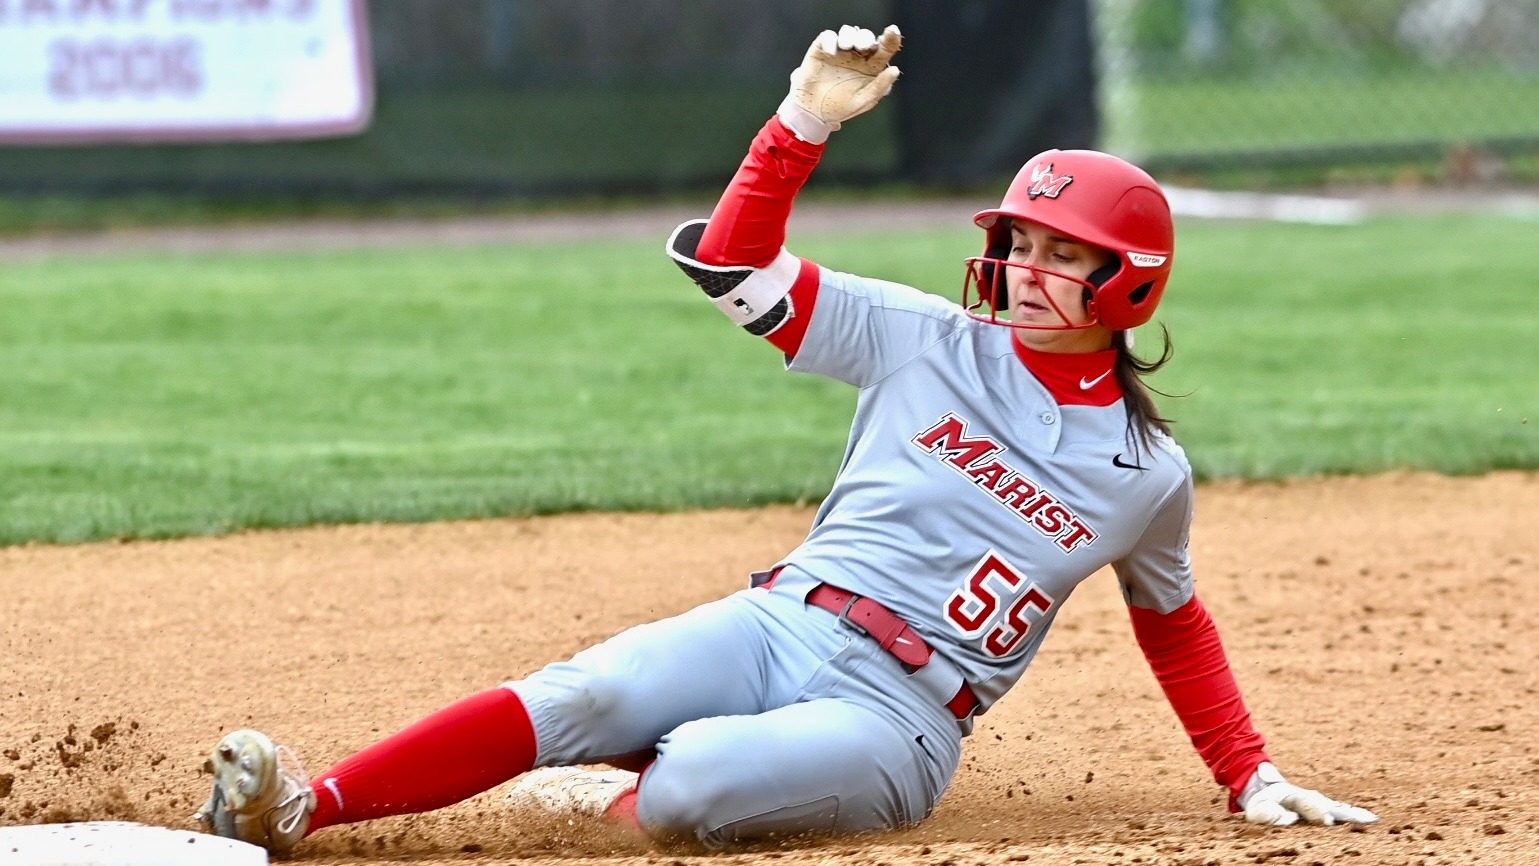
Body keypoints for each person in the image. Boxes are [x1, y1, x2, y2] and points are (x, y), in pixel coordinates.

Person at [193, 23, 1377, 856]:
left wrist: (1249, 771)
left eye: (1063, 251)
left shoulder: (1144, 474)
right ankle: (308, 806)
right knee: (586, 686)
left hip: (900, 722)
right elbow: (734, 264)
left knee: (697, 774)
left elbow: (1173, 619)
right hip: (783, 616)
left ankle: (609, 793)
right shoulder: (923, 338)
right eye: (1022, 239)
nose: (1027, 265)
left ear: (1129, 282)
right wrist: (803, 120)